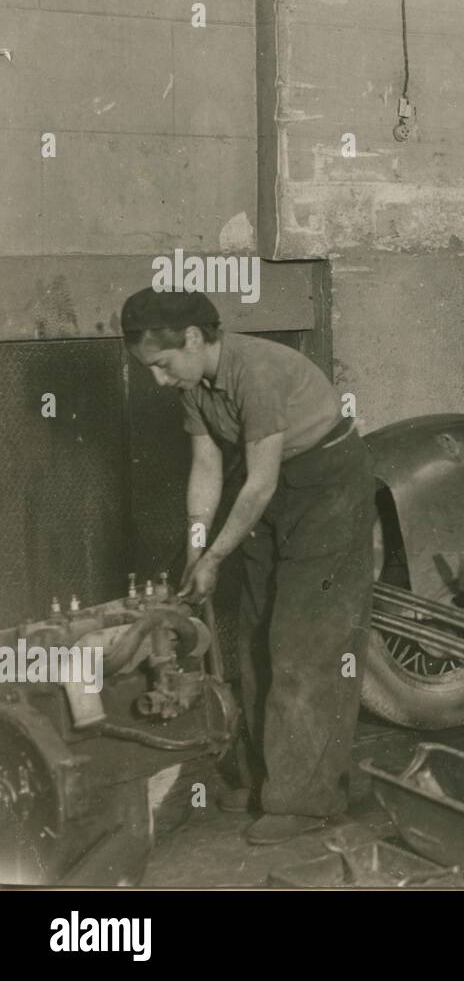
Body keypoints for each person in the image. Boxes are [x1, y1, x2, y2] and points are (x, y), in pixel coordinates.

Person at [121, 288, 374, 845]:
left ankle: (307, 801)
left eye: (162, 365)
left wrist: (215, 556)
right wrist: (195, 543)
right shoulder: (196, 385)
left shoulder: (254, 371)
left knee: (304, 644)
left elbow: (257, 484)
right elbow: (207, 466)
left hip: (327, 487)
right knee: (257, 637)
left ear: (192, 339)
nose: (160, 380)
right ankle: (266, 780)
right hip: (273, 493)